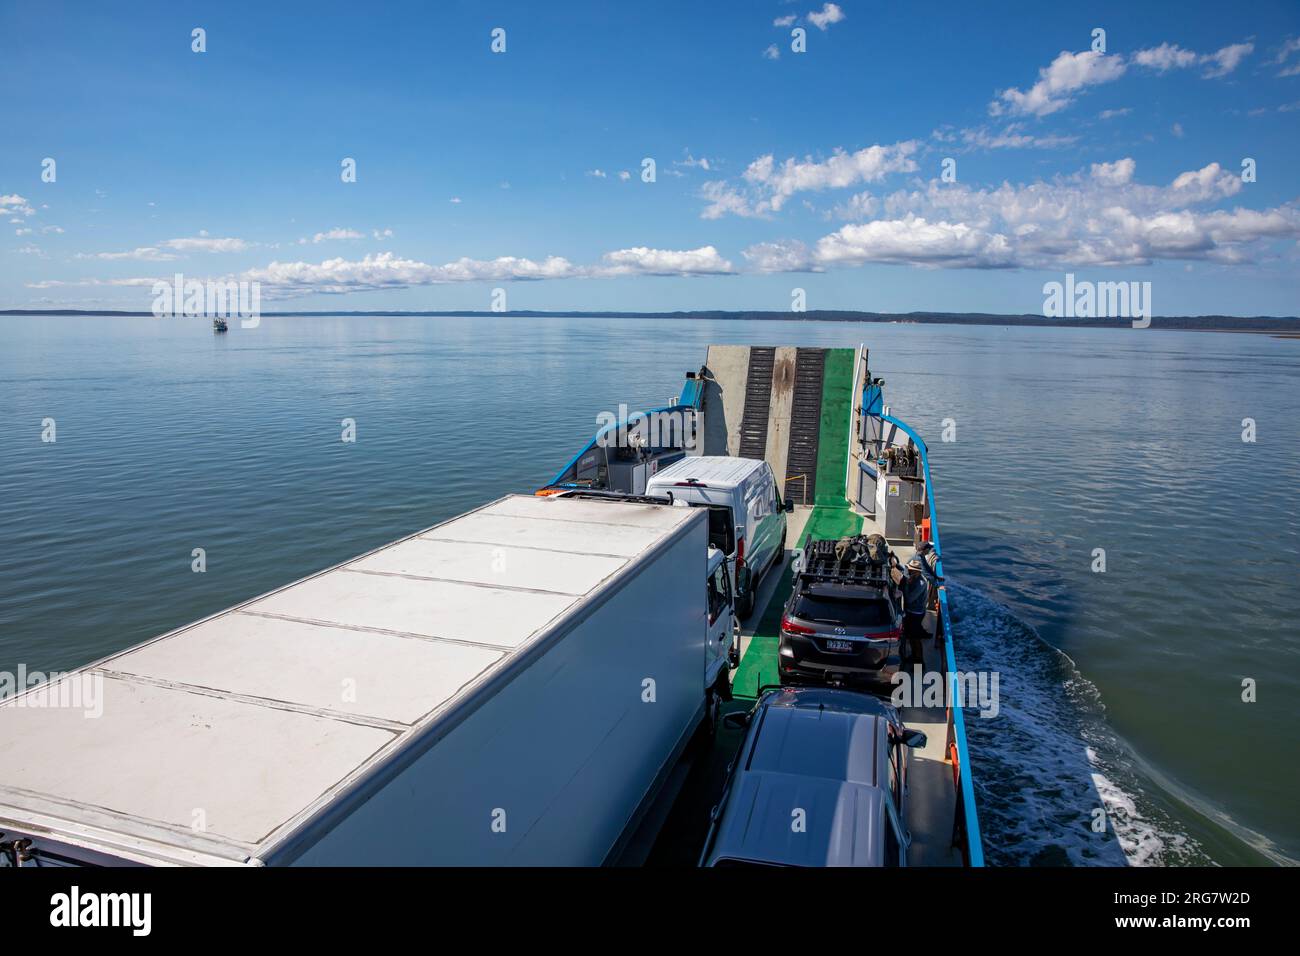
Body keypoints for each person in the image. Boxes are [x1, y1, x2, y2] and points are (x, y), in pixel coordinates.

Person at [900, 556, 931, 669]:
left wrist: (907, 585)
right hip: (911, 612)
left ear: (916, 572)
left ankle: (919, 663)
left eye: (911, 570)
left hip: (916, 614)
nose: (909, 572)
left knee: (915, 638)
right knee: (912, 637)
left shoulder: (921, 584)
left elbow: (909, 599)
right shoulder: (915, 579)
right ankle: (914, 657)